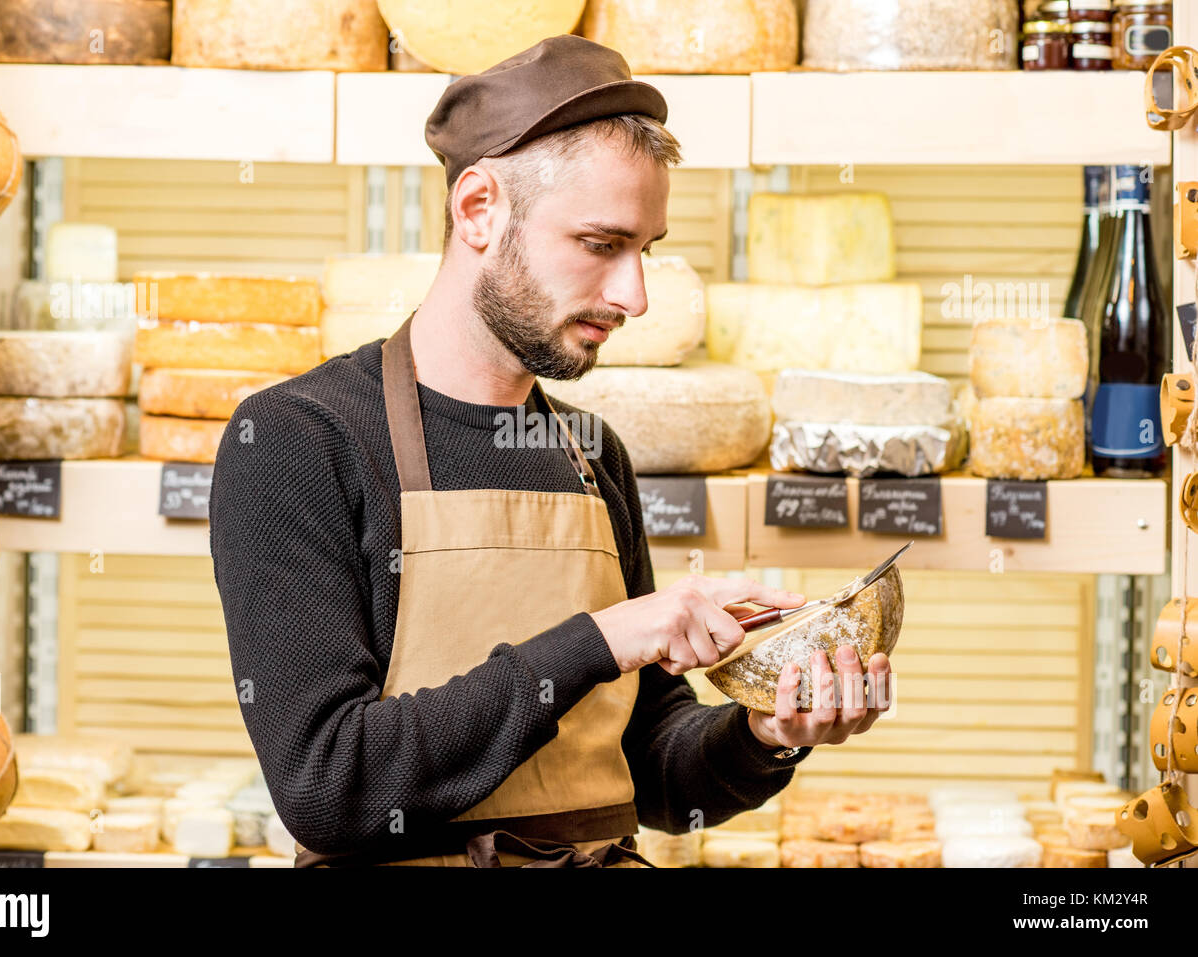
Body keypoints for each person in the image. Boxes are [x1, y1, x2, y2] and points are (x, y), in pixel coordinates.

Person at [209, 34, 893, 868]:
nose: (634, 295)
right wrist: (602, 638)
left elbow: (652, 776)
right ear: (480, 210)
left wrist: (765, 734)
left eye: (648, 250)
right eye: (602, 245)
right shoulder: (298, 440)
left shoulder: (588, 452)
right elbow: (332, 784)